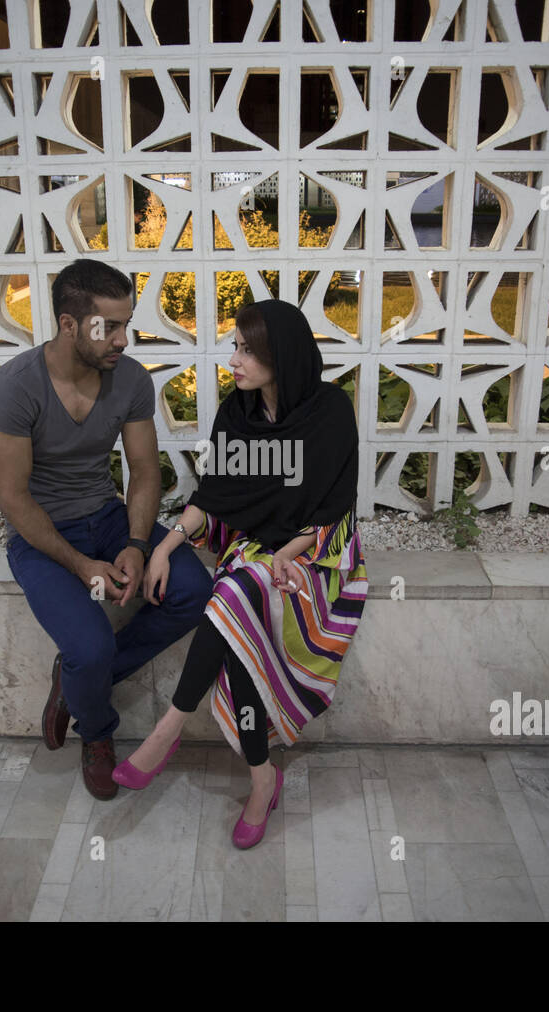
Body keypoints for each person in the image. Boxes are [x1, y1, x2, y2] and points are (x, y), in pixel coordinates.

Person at [111, 300, 368, 849]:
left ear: (283, 356)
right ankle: (260, 780)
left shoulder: (329, 411)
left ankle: (170, 729)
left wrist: (287, 555)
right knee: (239, 602)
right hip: (256, 550)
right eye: (236, 347)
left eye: (248, 351)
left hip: (316, 554)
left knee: (235, 592)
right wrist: (166, 545)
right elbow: (214, 495)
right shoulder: (239, 413)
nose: (234, 359)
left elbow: (333, 508)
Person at [0, 259, 214, 800]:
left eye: (127, 323)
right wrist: (82, 565)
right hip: (42, 538)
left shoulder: (127, 378)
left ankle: (80, 683)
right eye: (109, 326)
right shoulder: (11, 390)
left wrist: (135, 544)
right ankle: (97, 732)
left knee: (194, 592)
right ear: (68, 324)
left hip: (108, 520)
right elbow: (13, 500)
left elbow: (145, 470)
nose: (123, 340)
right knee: (88, 645)